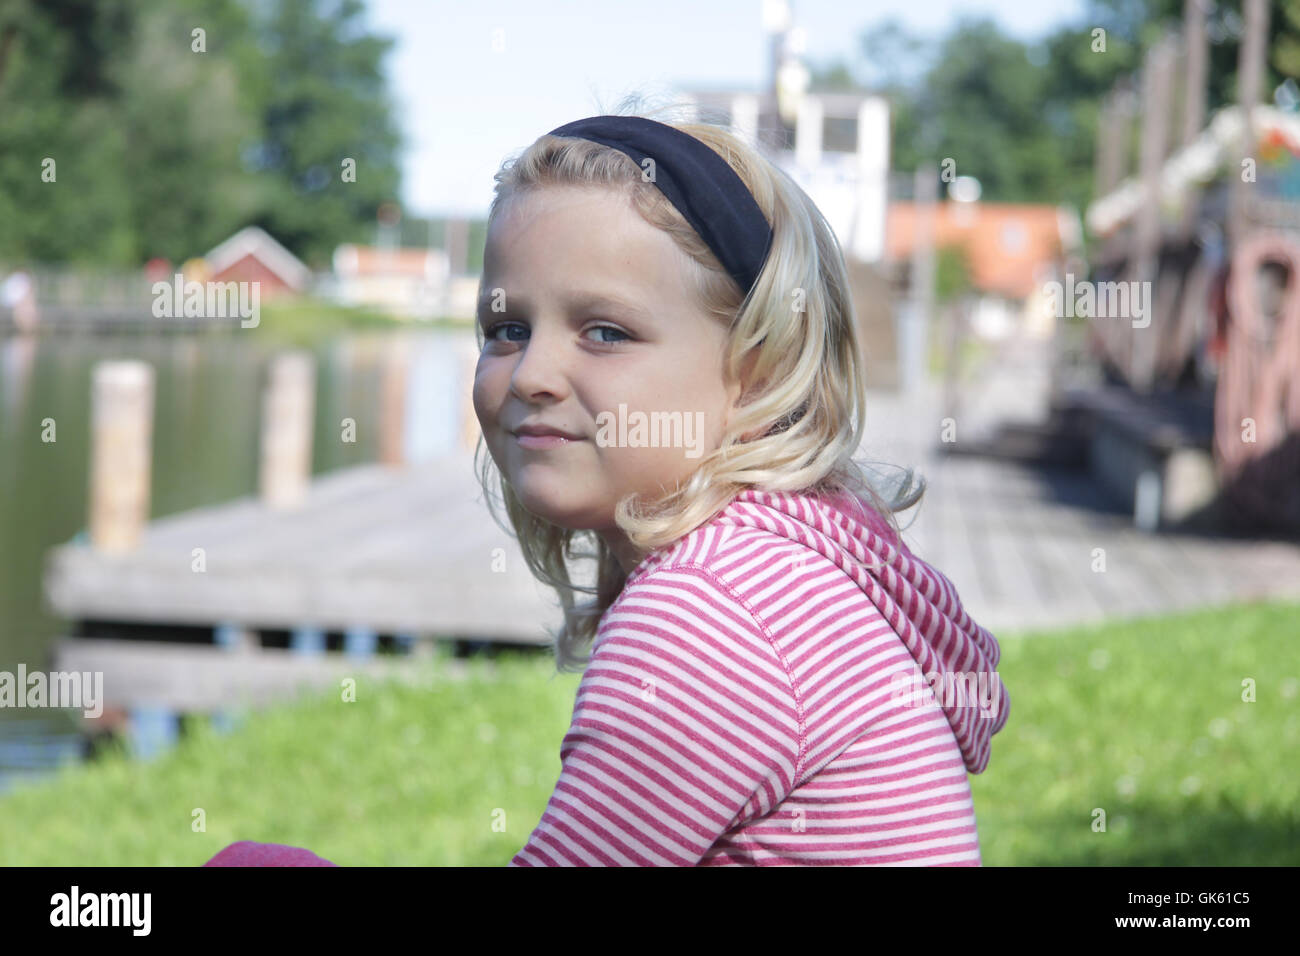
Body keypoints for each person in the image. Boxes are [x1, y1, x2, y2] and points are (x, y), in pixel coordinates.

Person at [202, 102, 1010, 867]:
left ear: (756, 371)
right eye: (506, 328)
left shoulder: (714, 613)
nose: (533, 373)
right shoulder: (788, 564)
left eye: (606, 331)